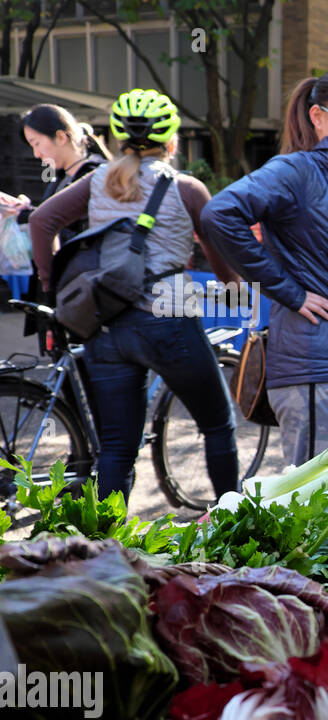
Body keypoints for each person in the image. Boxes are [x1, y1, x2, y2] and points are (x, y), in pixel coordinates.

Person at [28, 89, 240, 502]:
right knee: (217, 425)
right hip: (169, 318)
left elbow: (41, 221)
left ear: (120, 139)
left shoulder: (98, 180)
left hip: (104, 322)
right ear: (172, 141)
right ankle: (231, 527)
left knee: (118, 448)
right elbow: (219, 253)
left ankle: (105, 551)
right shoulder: (188, 188)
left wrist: (53, 284)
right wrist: (233, 291)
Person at [202, 67, 328, 467]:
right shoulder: (298, 170)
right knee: (319, 506)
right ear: (318, 116)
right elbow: (219, 213)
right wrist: (289, 291)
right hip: (316, 365)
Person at [6, 104, 111, 266]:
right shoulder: (63, 176)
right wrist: (23, 211)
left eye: (37, 143)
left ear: (61, 137)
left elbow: (79, 230)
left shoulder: (94, 176)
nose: (36, 154)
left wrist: (31, 217)